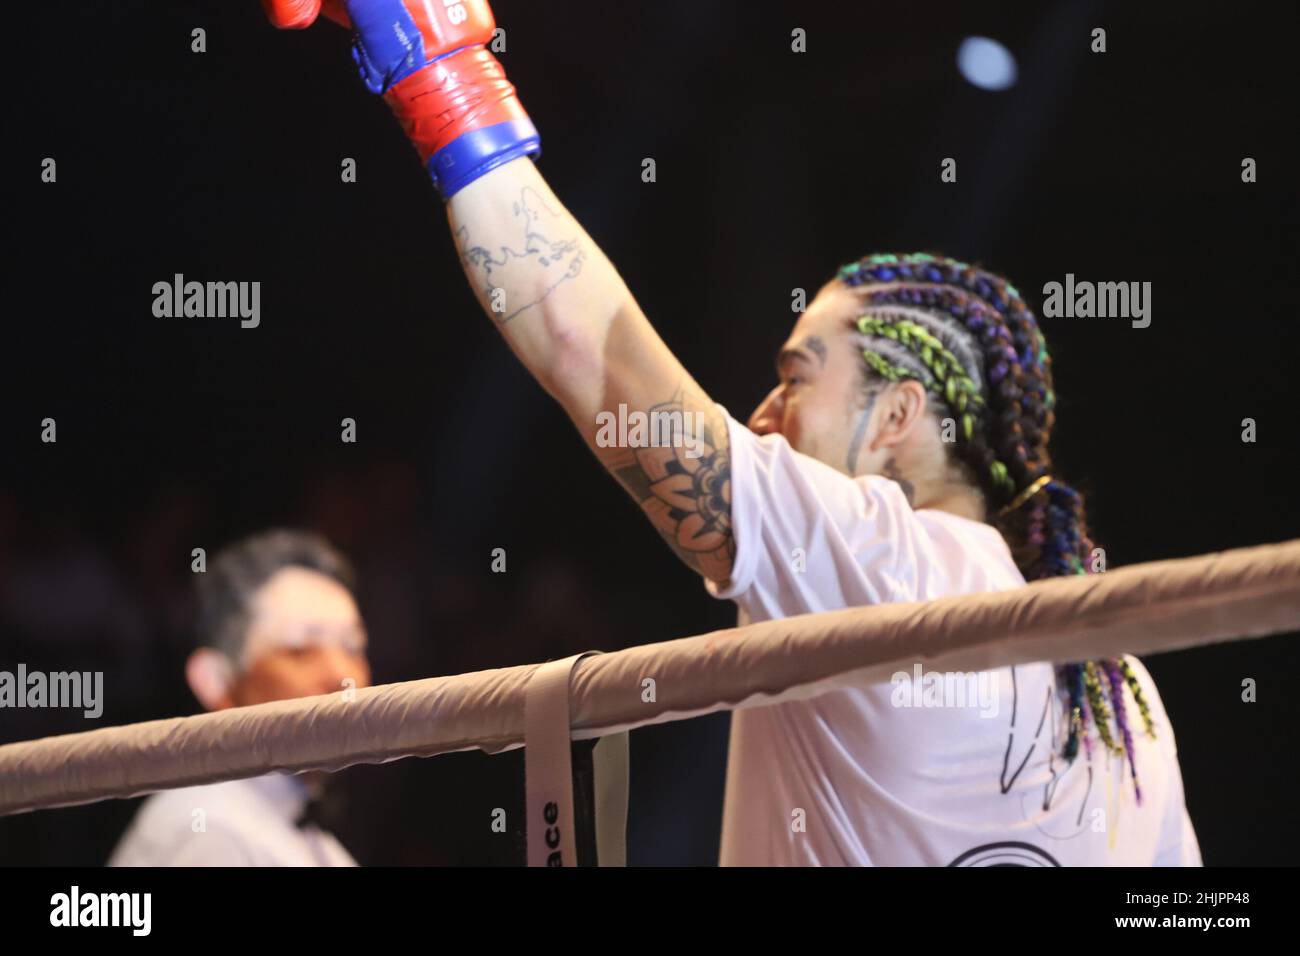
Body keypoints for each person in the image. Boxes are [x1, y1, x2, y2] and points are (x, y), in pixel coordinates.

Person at [261, 0, 1200, 866]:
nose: (760, 415)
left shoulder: (886, 562)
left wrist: (441, 73)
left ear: (901, 416)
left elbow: (588, 349)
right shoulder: (1127, 697)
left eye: (795, 378)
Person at [110, 529, 370, 866]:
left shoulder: (310, 839)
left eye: (353, 647)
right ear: (216, 680)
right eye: (300, 649)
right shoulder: (207, 828)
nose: (342, 675)